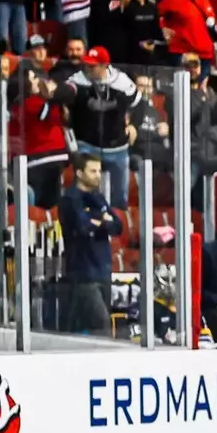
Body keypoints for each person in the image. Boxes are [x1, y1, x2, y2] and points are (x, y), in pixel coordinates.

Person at [57, 154, 123, 335]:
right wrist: (103, 222)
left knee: (101, 324)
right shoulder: (70, 199)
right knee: (102, 326)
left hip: (103, 270)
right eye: (93, 171)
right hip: (83, 274)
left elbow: (118, 226)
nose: (98, 175)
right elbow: (83, 227)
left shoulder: (99, 198)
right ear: (79, 173)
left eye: (99, 171)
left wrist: (100, 223)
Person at [68, 47, 140, 209]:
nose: (88, 68)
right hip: (88, 144)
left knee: (120, 198)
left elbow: (137, 104)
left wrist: (132, 124)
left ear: (104, 66)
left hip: (117, 147)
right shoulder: (79, 79)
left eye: (92, 66)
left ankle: (116, 228)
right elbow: (66, 93)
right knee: (83, 193)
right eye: (86, 64)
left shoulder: (121, 81)